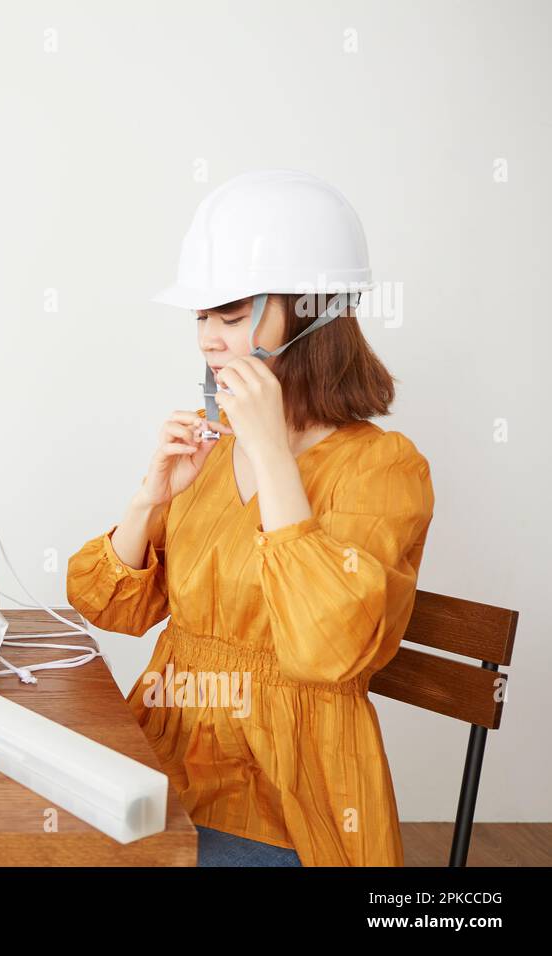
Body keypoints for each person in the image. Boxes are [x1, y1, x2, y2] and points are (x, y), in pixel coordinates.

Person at [67, 170, 435, 867]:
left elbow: (325, 650)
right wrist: (150, 496)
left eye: (231, 316)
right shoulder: (209, 454)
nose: (208, 340)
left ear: (314, 313)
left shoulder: (385, 468)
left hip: (292, 804)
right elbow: (106, 607)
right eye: (200, 317)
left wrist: (271, 450)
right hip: (168, 768)